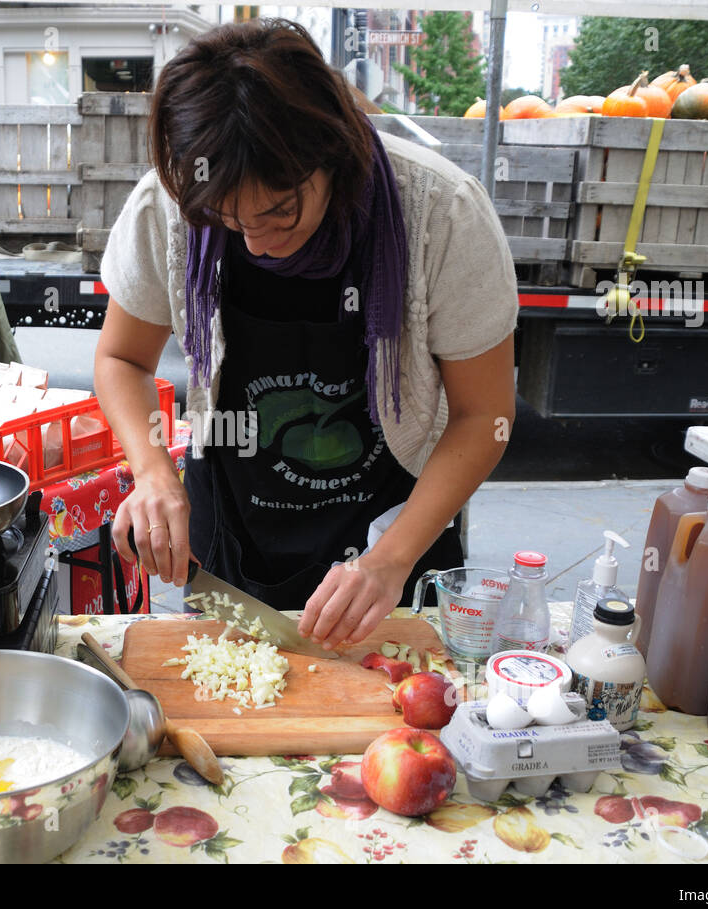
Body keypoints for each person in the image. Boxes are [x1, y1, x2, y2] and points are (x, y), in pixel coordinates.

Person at [94, 19, 517, 650]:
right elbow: (121, 358)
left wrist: (390, 562)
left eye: (279, 210)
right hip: (234, 522)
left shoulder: (441, 212)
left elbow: (485, 414)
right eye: (225, 221)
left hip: (391, 520)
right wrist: (152, 471)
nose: (256, 242)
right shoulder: (171, 205)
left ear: (333, 153)